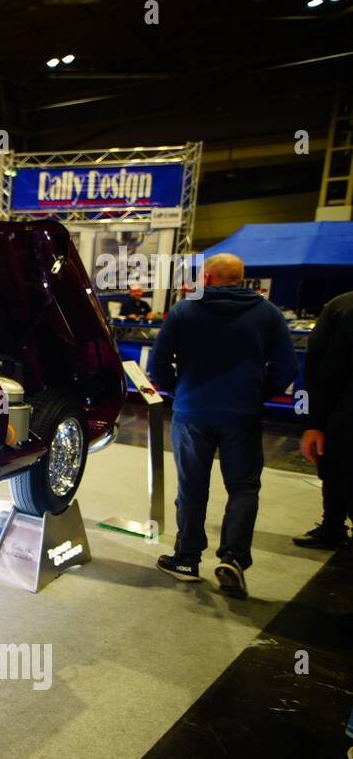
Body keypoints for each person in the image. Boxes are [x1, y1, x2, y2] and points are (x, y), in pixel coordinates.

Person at [147, 253, 297, 598]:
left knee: (192, 487)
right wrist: (257, 393)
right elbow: (287, 369)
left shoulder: (185, 309)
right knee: (243, 488)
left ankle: (186, 558)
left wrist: (179, 390)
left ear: (208, 278)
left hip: (193, 412)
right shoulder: (268, 312)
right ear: (239, 279)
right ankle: (233, 558)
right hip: (242, 414)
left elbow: (157, 365)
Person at [296, 288, 353, 549]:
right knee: (333, 467)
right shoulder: (342, 306)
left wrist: (312, 422)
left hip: (341, 412)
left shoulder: (342, 306)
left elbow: (320, 365)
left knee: (335, 469)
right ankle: (331, 527)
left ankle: (332, 527)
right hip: (339, 410)